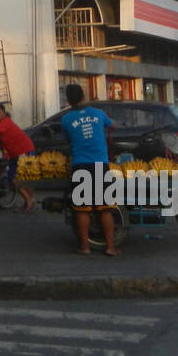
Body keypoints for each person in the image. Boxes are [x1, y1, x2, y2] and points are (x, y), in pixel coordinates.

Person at [61, 83, 117, 256]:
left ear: (68, 100)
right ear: (84, 97)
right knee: (105, 208)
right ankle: (110, 247)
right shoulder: (98, 113)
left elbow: (67, 139)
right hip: (100, 164)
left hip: (80, 165)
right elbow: (112, 125)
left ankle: (85, 247)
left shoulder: (66, 119)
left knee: (82, 208)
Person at [0, 103, 36, 213]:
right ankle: (29, 201)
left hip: (24, 150)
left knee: (21, 177)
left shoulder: (6, 122)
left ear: (3, 113)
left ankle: (28, 201)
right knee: (13, 177)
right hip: (14, 153)